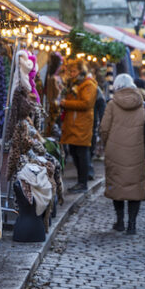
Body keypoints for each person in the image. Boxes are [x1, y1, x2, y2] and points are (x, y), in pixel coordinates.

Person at [99, 74, 145, 234]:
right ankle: (132, 224)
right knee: (135, 187)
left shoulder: (112, 104)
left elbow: (104, 128)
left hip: (115, 151)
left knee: (118, 186)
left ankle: (120, 221)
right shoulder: (143, 105)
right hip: (137, 151)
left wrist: (107, 143)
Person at [59, 59, 98, 193]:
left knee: (81, 153)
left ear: (81, 71)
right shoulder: (75, 83)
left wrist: (66, 103)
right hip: (74, 124)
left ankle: (83, 183)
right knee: (74, 152)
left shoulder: (88, 84)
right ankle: (81, 181)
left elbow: (86, 103)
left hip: (81, 124)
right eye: (70, 71)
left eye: (74, 71)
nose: (71, 74)